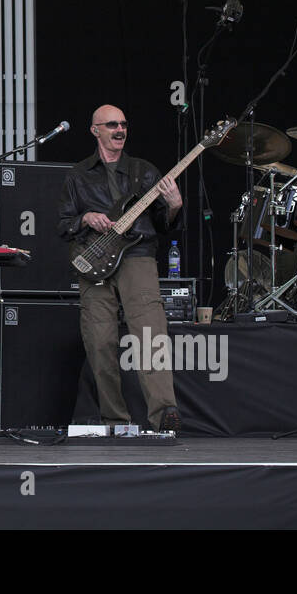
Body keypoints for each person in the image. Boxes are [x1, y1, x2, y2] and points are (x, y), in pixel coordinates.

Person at [57, 105, 183, 433]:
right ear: (95, 130)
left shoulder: (144, 171)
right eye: (111, 124)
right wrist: (86, 218)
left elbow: (164, 224)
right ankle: (115, 420)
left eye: (124, 124)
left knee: (151, 335)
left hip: (137, 254)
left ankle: (164, 415)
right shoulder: (78, 175)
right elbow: (62, 224)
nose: (119, 129)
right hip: (94, 259)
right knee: (100, 341)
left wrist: (174, 205)